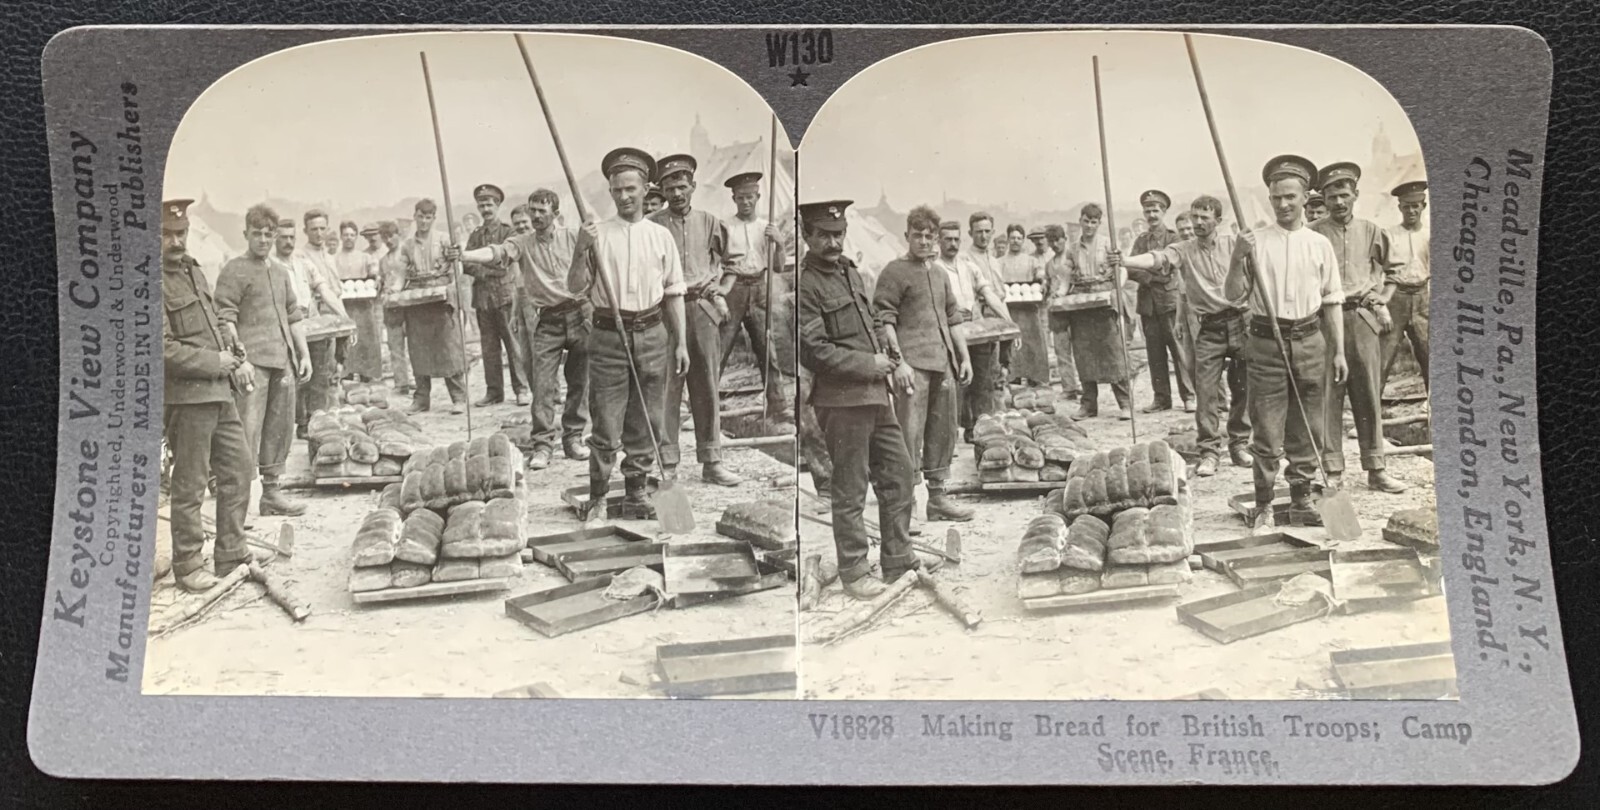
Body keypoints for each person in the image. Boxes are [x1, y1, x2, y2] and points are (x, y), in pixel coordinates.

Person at [797, 199, 932, 598]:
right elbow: (813, 349)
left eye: (838, 235)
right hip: (841, 401)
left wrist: (890, 357)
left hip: (876, 394)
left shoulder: (849, 272)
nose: (833, 243)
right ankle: (855, 571)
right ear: (807, 236)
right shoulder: (806, 284)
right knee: (851, 489)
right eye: (824, 236)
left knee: (899, 473)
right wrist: (866, 364)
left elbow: (872, 320)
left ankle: (897, 558)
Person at [565, 148, 689, 519]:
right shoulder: (596, 235)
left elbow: (674, 292)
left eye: (631, 189)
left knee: (648, 419)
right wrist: (579, 249)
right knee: (605, 419)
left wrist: (680, 342)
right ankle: (599, 496)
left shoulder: (660, 236)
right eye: (617, 190)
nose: (623, 196)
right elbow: (574, 287)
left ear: (645, 188)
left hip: (652, 333)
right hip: (607, 336)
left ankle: (637, 493)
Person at [1229, 155, 1345, 528]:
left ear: (1304, 196)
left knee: (1309, 425)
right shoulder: (1255, 242)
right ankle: (1263, 503)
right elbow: (1232, 296)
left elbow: (1332, 300)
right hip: (1265, 342)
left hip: (1310, 340)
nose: (1283, 204)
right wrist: (1236, 257)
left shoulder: (1319, 244)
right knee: (1266, 426)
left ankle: (1301, 500)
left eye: (1290, 197)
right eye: (1276, 197)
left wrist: (1339, 350)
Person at [454, 188, 593, 470]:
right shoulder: (522, 242)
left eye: (543, 211)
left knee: (580, 381)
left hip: (580, 313)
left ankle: (574, 439)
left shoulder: (574, 236)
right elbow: (497, 252)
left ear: (555, 213)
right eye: (533, 210)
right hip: (548, 319)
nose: (537, 215)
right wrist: (465, 256)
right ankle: (542, 445)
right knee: (541, 383)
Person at [1116, 195, 1252, 476]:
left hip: (1240, 322)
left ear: (1218, 220)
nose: (1198, 222)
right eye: (1194, 216)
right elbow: (1158, 258)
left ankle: (1239, 444)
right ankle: (1209, 452)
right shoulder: (1183, 248)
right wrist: (1126, 260)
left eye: (1205, 217)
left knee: (1243, 387)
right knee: (1205, 390)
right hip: (1209, 327)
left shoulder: (1233, 244)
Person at [160, 199, 257, 591]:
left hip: (220, 392)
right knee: (191, 483)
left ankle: (231, 551)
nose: (176, 241)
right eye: (167, 235)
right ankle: (187, 564)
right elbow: (161, 348)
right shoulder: (149, 280)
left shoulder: (193, 270)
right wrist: (214, 361)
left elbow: (215, 317)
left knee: (239, 468)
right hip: (187, 398)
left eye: (180, 233)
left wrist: (231, 341)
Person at [873, 206, 975, 523]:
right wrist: (897, 363)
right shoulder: (894, 272)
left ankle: (938, 500)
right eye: (918, 235)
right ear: (907, 236)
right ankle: (907, 504)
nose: (925, 241)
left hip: (941, 363)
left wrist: (964, 357)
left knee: (942, 432)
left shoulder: (940, 274)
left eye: (930, 236)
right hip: (911, 368)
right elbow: (883, 320)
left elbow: (953, 318)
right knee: (908, 434)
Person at [1312, 161, 1407, 494]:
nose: (1338, 202)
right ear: (1322, 197)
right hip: (1324, 322)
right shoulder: (1313, 233)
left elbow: (1394, 270)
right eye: (1331, 196)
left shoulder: (1371, 230)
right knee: (1329, 393)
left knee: (1367, 393)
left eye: (1344, 195)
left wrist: (1381, 298)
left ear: (1355, 194)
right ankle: (1333, 470)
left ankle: (1376, 468)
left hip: (1361, 318)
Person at [215, 202, 314, 517]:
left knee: (279, 429)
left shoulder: (282, 272)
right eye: (256, 233)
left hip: (281, 362)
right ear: (245, 233)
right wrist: (237, 358)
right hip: (251, 366)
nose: (262, 239)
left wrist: (304, 353)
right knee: (246, 432)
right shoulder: (234, 270)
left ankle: (271, 495)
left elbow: (293, 315)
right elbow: (224, 317)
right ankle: (235, 510)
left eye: (268, 234)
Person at [650, 153, 744, 486]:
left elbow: (733, 263)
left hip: (702, 310)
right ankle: (668, 462)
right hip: (665, 313)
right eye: (670, 187)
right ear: (662, 189)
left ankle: (712, 460)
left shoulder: (710, 222)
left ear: (692, 186)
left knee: (706, 386)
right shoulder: (652, 226)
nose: (676, 194)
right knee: (667, 387)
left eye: (682, 186)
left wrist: (720, 289)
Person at [718, 171, 793, 421]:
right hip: (734, 288)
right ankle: (706, 406)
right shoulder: (725, 226)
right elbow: (715, 260)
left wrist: (779, 244)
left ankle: (778, 406)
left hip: (760, 288)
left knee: (766, 347)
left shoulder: (767, 228)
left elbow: (779, 267)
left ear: (758, 197)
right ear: (733, 198)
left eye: (750, 197)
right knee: (721, 347)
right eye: (741, 197)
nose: (746, 202)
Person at [1048, 204, 1132, 420]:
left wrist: (1116, 288)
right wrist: (1059, 294)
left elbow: (1120, 270)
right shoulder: (1072, 249)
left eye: (1094, 222)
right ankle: (1088, 405)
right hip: (1082, 304)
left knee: (1113, 352)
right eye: (1086, 221)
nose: (1089, 226)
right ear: (1080, 221)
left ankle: (1124, 403)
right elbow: (1066, 278)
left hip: (1104, 302)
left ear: (1099, 223)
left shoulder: (1108, 244)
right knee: (1083, 354)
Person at [934, 219, 1007, 440]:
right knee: (957, 380)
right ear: (939, 240)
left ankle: (980, 427)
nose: (953, 244)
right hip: (949, 327)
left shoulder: (968, 266)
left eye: (956, 239)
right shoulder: (935, 269)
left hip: (974, 326)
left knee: (983, 377)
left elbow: (988, 294)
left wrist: (1008, 320)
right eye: (948, 239)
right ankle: (955, 429)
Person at [396, 199, 468, 413]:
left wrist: (453, 286)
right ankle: (421, 399)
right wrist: (395, 290)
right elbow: (400, 272)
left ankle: (458, 397)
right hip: (417, 298)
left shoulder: (445, 239)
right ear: (415, 217)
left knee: (448, 348)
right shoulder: (407, 245)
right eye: (421, 217)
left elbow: (458, 267)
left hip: (441, 296)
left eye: (428, 217)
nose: (424, 221)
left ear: (434, 219)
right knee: (418, 349)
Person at [1127, 189, 1195, 413]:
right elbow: (1132, 267)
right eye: (1148, 211)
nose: (1151, 215)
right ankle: (1161, 399)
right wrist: (1149, 276)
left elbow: (1171, 266)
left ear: (1163, 211)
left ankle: (1189, 396)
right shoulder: (1141, 240)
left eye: (1155, 210)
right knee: (1154, 353)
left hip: (1169, 302)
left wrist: (1154, 273)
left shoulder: (1173, 238)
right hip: (1148, 304)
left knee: (1179, 350)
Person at [463, 183, 529, 408]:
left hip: (504, 296)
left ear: (497, 205)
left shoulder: (508, 232)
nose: (485, 208)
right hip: (482, 298)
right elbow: (467, 263)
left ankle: (521, 389)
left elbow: (504, 263)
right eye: (482, 205)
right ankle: (494, 392)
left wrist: (484, 269)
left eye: (489, 204)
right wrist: (482, 269)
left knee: (513, 345)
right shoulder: (475, 235)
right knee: (489, 348)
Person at [289, 209, 350, 436]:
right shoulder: (300, 257)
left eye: (322, 228)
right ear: (305, 231)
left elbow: (330, 290)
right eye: (313, 229)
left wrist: (344, 318)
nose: (318, 233)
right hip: (311, 318)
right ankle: (306, 420)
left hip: (331, 316)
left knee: (330, 368)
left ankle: (325, 415)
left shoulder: (328, 255)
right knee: (309, 370)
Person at [1382, 180, 1430, 392]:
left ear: (1423, 206)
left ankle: (1434, 412)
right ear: (1400, 207)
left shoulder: (1430, 235)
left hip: (1422, 298)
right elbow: (1378, 269)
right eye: (1406, 206)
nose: (1411, 210)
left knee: (1428, 354)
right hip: (1396, 298)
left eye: (1415, 205)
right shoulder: (1389, 235)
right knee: (1384, 356)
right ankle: (1372, 417)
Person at [999, 223, 1053, 388]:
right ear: (1008, 239)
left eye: (1019, 238)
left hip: (1029, 310)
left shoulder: (1031, 260)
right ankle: (1013, 378)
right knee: (1012, 346)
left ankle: (1035, 379)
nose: (1015, 241)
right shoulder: (999, 262)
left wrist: (1042, 281)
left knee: (1032, 344)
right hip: (1009, 311)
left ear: (1023, 241)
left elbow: (1040, 274)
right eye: (1012, 238)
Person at [335, 220, 384, 382]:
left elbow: (374, 273)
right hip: (344, 306)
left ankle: (366, 374)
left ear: (356, 237)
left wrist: (375, 277)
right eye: (345, 235)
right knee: (346, 340)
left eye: (352, 235)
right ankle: (347, 373)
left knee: (365, 338)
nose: (348, 238)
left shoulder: (365, 257)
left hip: (363, 305)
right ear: (341, 237)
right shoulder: (334, 259)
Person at [374, 220, 413, 396]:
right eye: (384, 237)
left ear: (398, 234)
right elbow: (381, 283)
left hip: (409, 305)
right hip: (391, 308)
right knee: (395, 347)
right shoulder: (383, 261)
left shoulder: (409, 253)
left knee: (414, 345)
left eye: (391, 236)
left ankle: (417, 381)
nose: (388, 240)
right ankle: (401, 383)